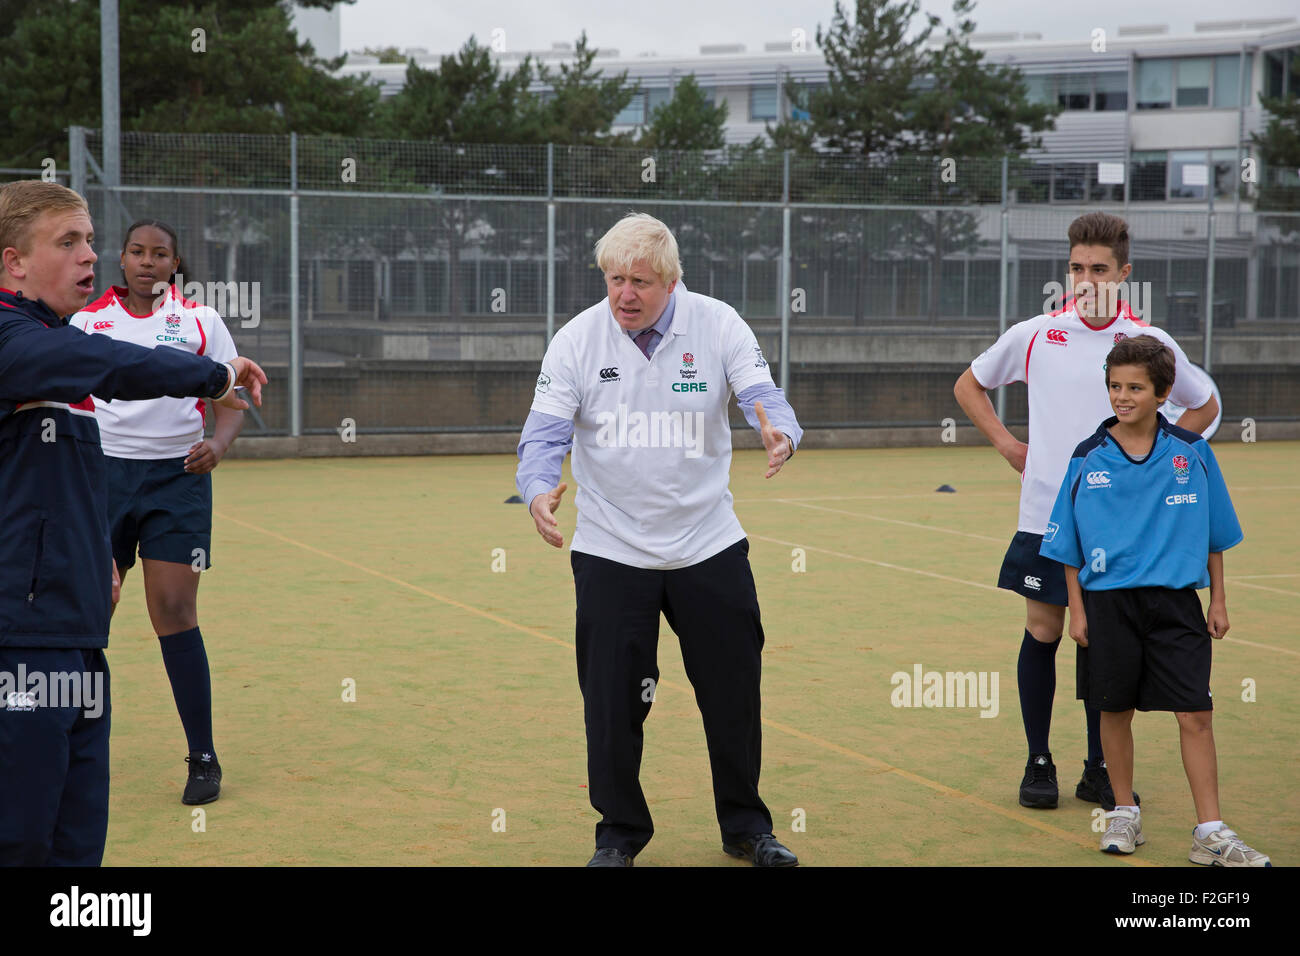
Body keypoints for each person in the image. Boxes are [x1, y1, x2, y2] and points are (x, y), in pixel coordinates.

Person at [516, 212, 803, 867]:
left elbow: (763, 393)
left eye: (640, 281)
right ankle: (618, 835)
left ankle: (746, 828)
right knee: (613, 704)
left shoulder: (719, 322)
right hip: (613, 551)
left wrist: (780, 431)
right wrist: (538, 489)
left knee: (732, 693)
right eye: (615, 279)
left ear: (672, 281)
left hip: (709, 544)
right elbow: (543, 436)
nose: (625, 294)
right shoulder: (577, 341)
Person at [0, 180, 265, 866]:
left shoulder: (59, 338)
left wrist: (96, 559)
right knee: (24, 835)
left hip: (75, 631)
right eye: (69, 242)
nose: (91, 255)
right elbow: (110, 365)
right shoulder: (20, 340)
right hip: (22, 639)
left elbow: (58, 480)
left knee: (76, 838)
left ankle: (201, 751)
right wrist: (210, 377)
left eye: (90, 239)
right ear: (13, 264)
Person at [953, 212, 1219, 811]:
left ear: (1124, 274)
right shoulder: (1036, 334)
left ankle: (1098, 770)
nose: (1085, 279)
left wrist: (1152, 470)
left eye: (1099, 269)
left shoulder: (1145, 345)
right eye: (1076, 268)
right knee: (1044, 632)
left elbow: (1202, 407)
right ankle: (1037, 760)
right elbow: (969, 384)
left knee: (1103, 644)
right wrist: (1007, 444)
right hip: (1046, 516)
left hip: (1121, 532)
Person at [1041, 335, 1269, 865]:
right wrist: (1077, 608)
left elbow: (1214, 533)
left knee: (1195, 714)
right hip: (1107, 607)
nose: (1122, 397)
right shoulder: (1087, 456)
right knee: (1113, 710)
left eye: (1135, 388)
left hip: (1176, 606)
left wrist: (1219, 600)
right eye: (1115, 386)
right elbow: (1068, 544)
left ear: (1163, 392)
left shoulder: (1192, 453)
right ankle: (1123, 812)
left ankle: (1210, 831)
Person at [70, 219, 242, 805]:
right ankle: (73, 747)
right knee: (91, 610)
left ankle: (203, 756)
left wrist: (216, 447)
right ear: (121, 259)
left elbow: (230, 402)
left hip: (177, 479)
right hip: (102, 478)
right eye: (137, 252)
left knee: (173, 609)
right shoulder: (86, 320)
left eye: (160, 253)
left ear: (175, 263)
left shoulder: (201, 321)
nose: (147, 261)